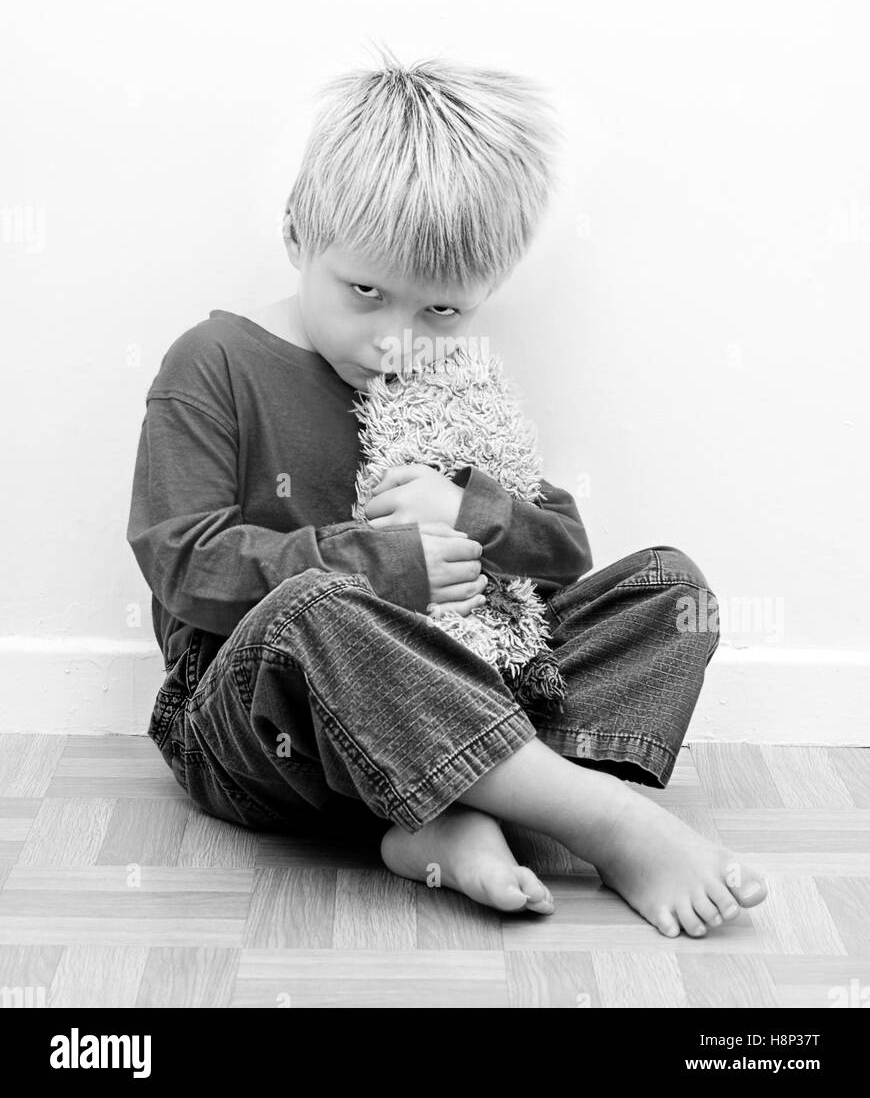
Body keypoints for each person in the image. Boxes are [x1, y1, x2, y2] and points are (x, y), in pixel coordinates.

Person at [127, 54, 767, 939]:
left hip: (470, 686)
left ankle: (442, 812)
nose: (396, 341)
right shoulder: (215, 362)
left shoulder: (453, 381)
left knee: (672, 586)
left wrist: (469, 512)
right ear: (296, 236)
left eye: (442, 312)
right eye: (365, 292)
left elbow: (565, 550)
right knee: (320, 608)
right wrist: (387, 565)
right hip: (259, 731)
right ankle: (599, 817)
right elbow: (180, 561)